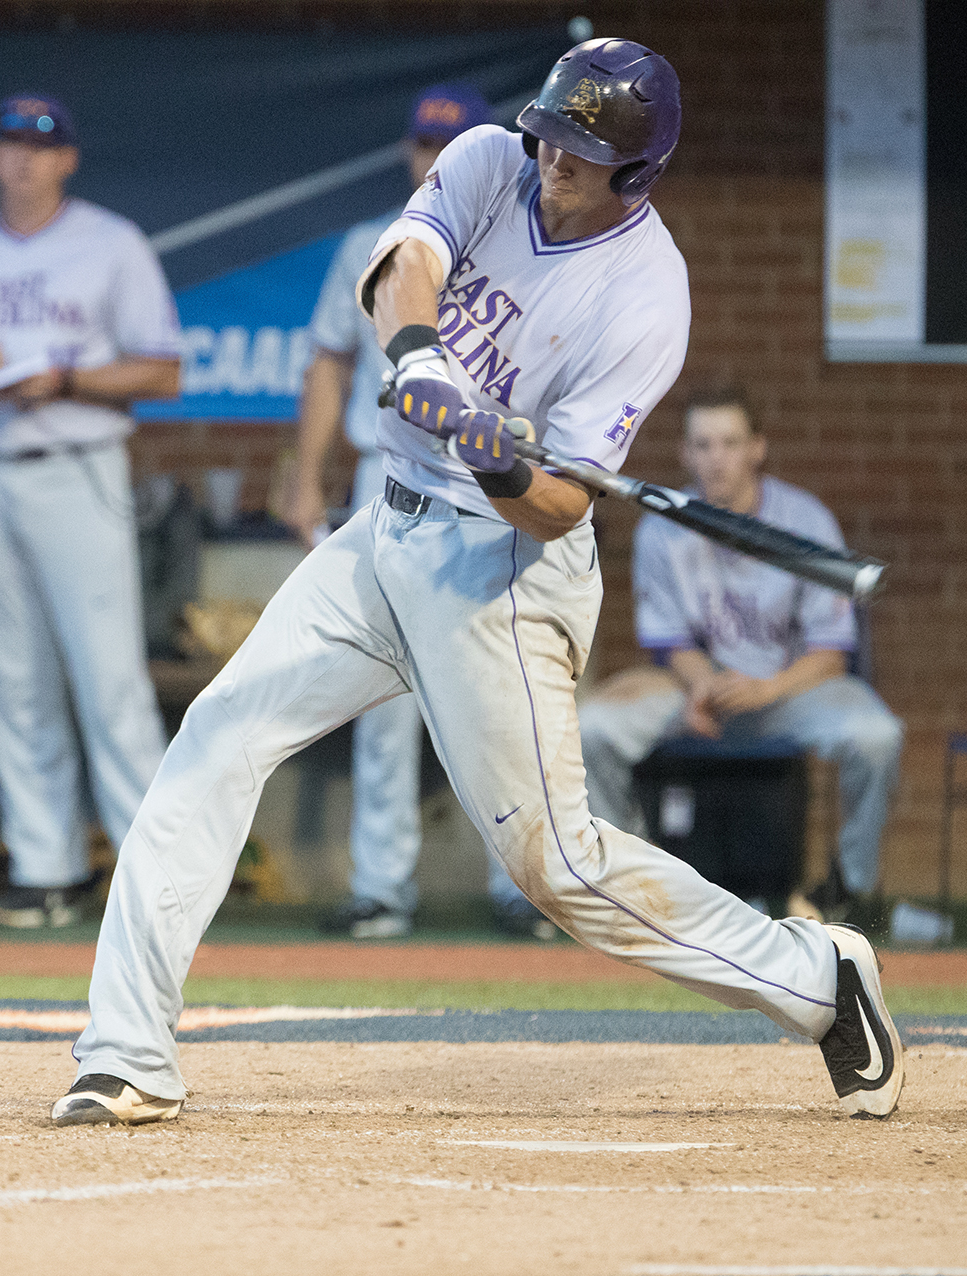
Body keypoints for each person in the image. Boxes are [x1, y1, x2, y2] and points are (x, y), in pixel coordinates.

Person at [52, 39, 903, 1129]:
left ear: (637, 174)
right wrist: (422, 363)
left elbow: (560, 507)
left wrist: (503, 457)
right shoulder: (491, 158)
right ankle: (127, 1053)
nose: (554, 161)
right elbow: (406, 267)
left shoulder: (649, 299)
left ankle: (819, 981)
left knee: (558, 867)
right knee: (218, 735)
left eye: (584, 155)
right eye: (553, 135)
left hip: (499, 573)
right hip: (383, 534)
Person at [0, 93, 181, 928]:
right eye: (10, 144)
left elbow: (163, 370)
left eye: (41, 146)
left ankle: (153, 880)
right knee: (13, 675)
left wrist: (62, 379)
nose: (24, 158)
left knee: (108, 677)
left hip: (76, 464)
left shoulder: (112, 243)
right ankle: (45, 867)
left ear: (67, 159)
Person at [288, 83, 553, 941]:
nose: (433, 161)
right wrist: (305, 474)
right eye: (422, 145)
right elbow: (329, 363)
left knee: (503, 686)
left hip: (490, 485)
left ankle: (524, 884)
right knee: (382, 695)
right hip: (389, 477)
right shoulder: (373, 244)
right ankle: (382, 885)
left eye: (451, 144)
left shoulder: (522, 251)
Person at [577, 385, 904, 923]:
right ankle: (630, 882)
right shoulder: (663, 526)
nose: (716, 457)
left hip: (789, 689)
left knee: (877, 736)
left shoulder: (805, 519)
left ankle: (847, 887)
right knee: (592, 727)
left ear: (757, 448)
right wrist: (705, 684)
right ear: (685, 453)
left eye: (730, 443)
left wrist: (765, 689)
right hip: (697, 693)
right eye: (702, 444)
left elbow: (831, 652)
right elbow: (669, 643)